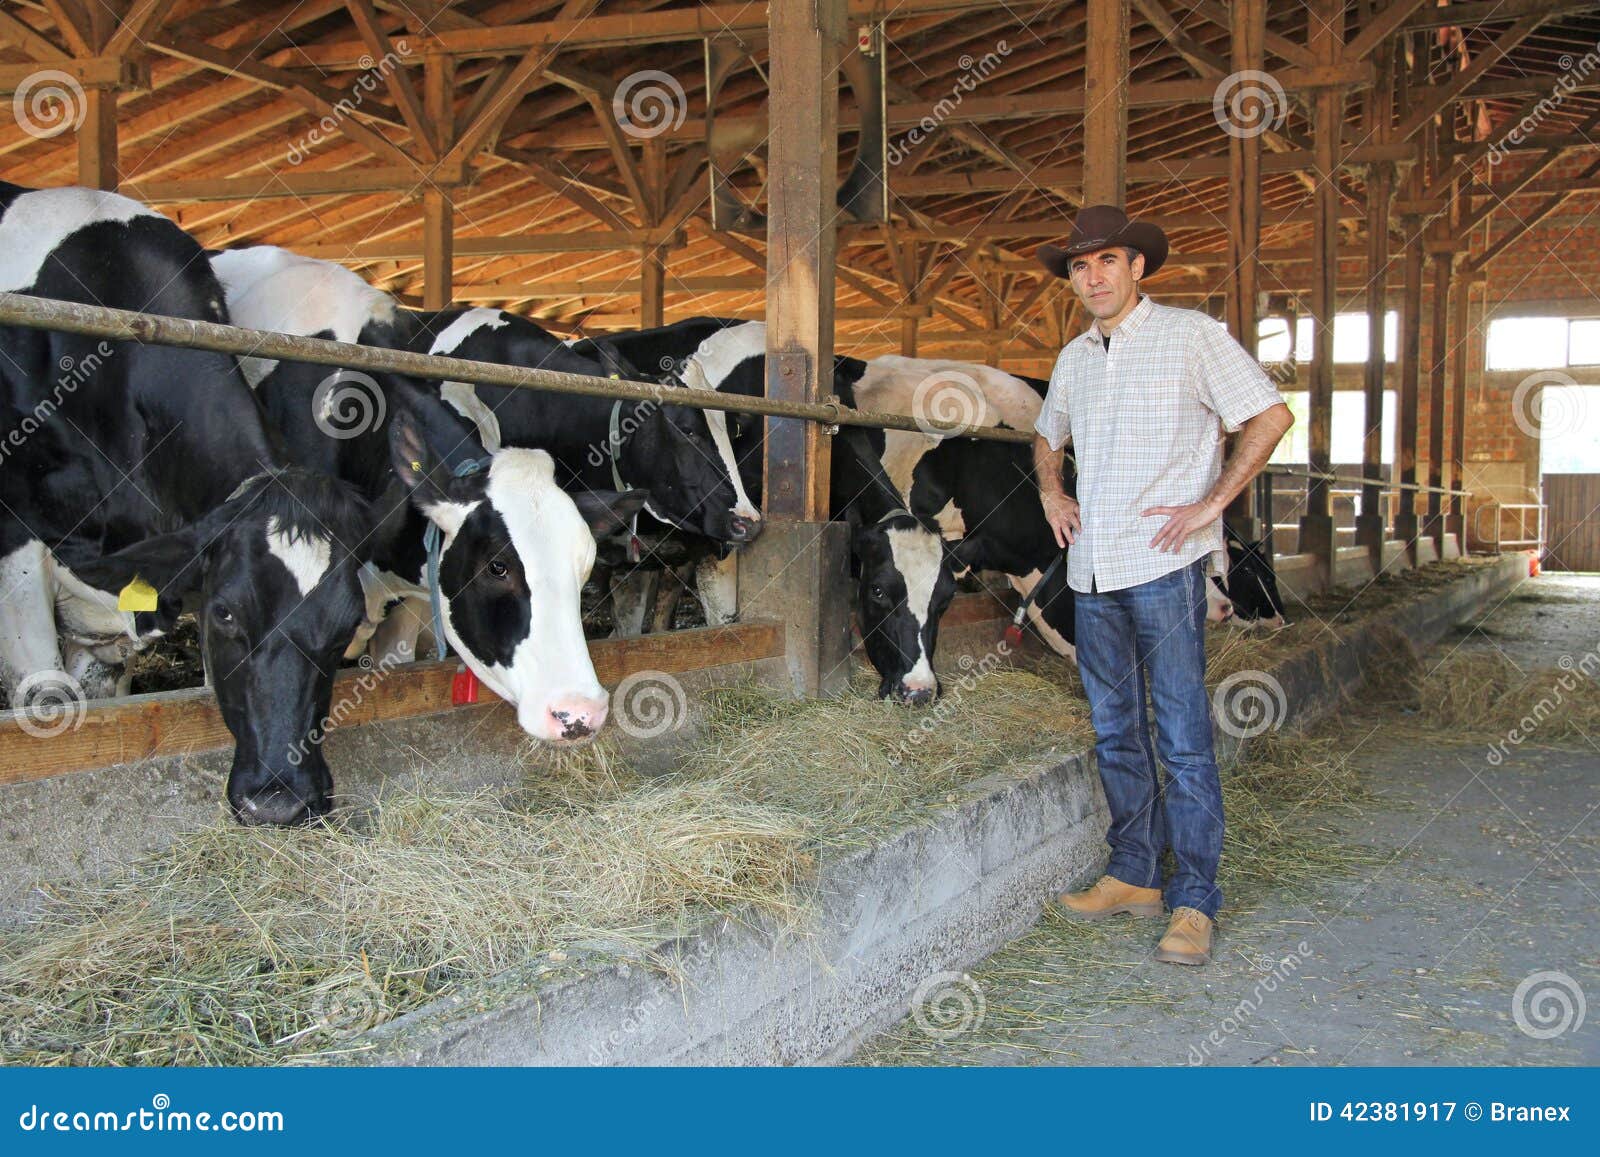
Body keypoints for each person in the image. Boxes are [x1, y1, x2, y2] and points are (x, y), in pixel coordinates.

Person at [1032, 205, 1294, 966]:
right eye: (1080, 266)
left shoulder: (1192, 335)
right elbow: (1048, 433)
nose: (1093, 276)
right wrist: (1051, 490)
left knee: (1180, 735)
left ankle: (1195, 899)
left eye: (1107, 260)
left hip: (1162, 564)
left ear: (1137, 266)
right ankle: (1135, 872)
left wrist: (1213, 504)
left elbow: (1270, 416)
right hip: (1092, 570)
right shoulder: (1075, 356)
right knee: (1115, 729)